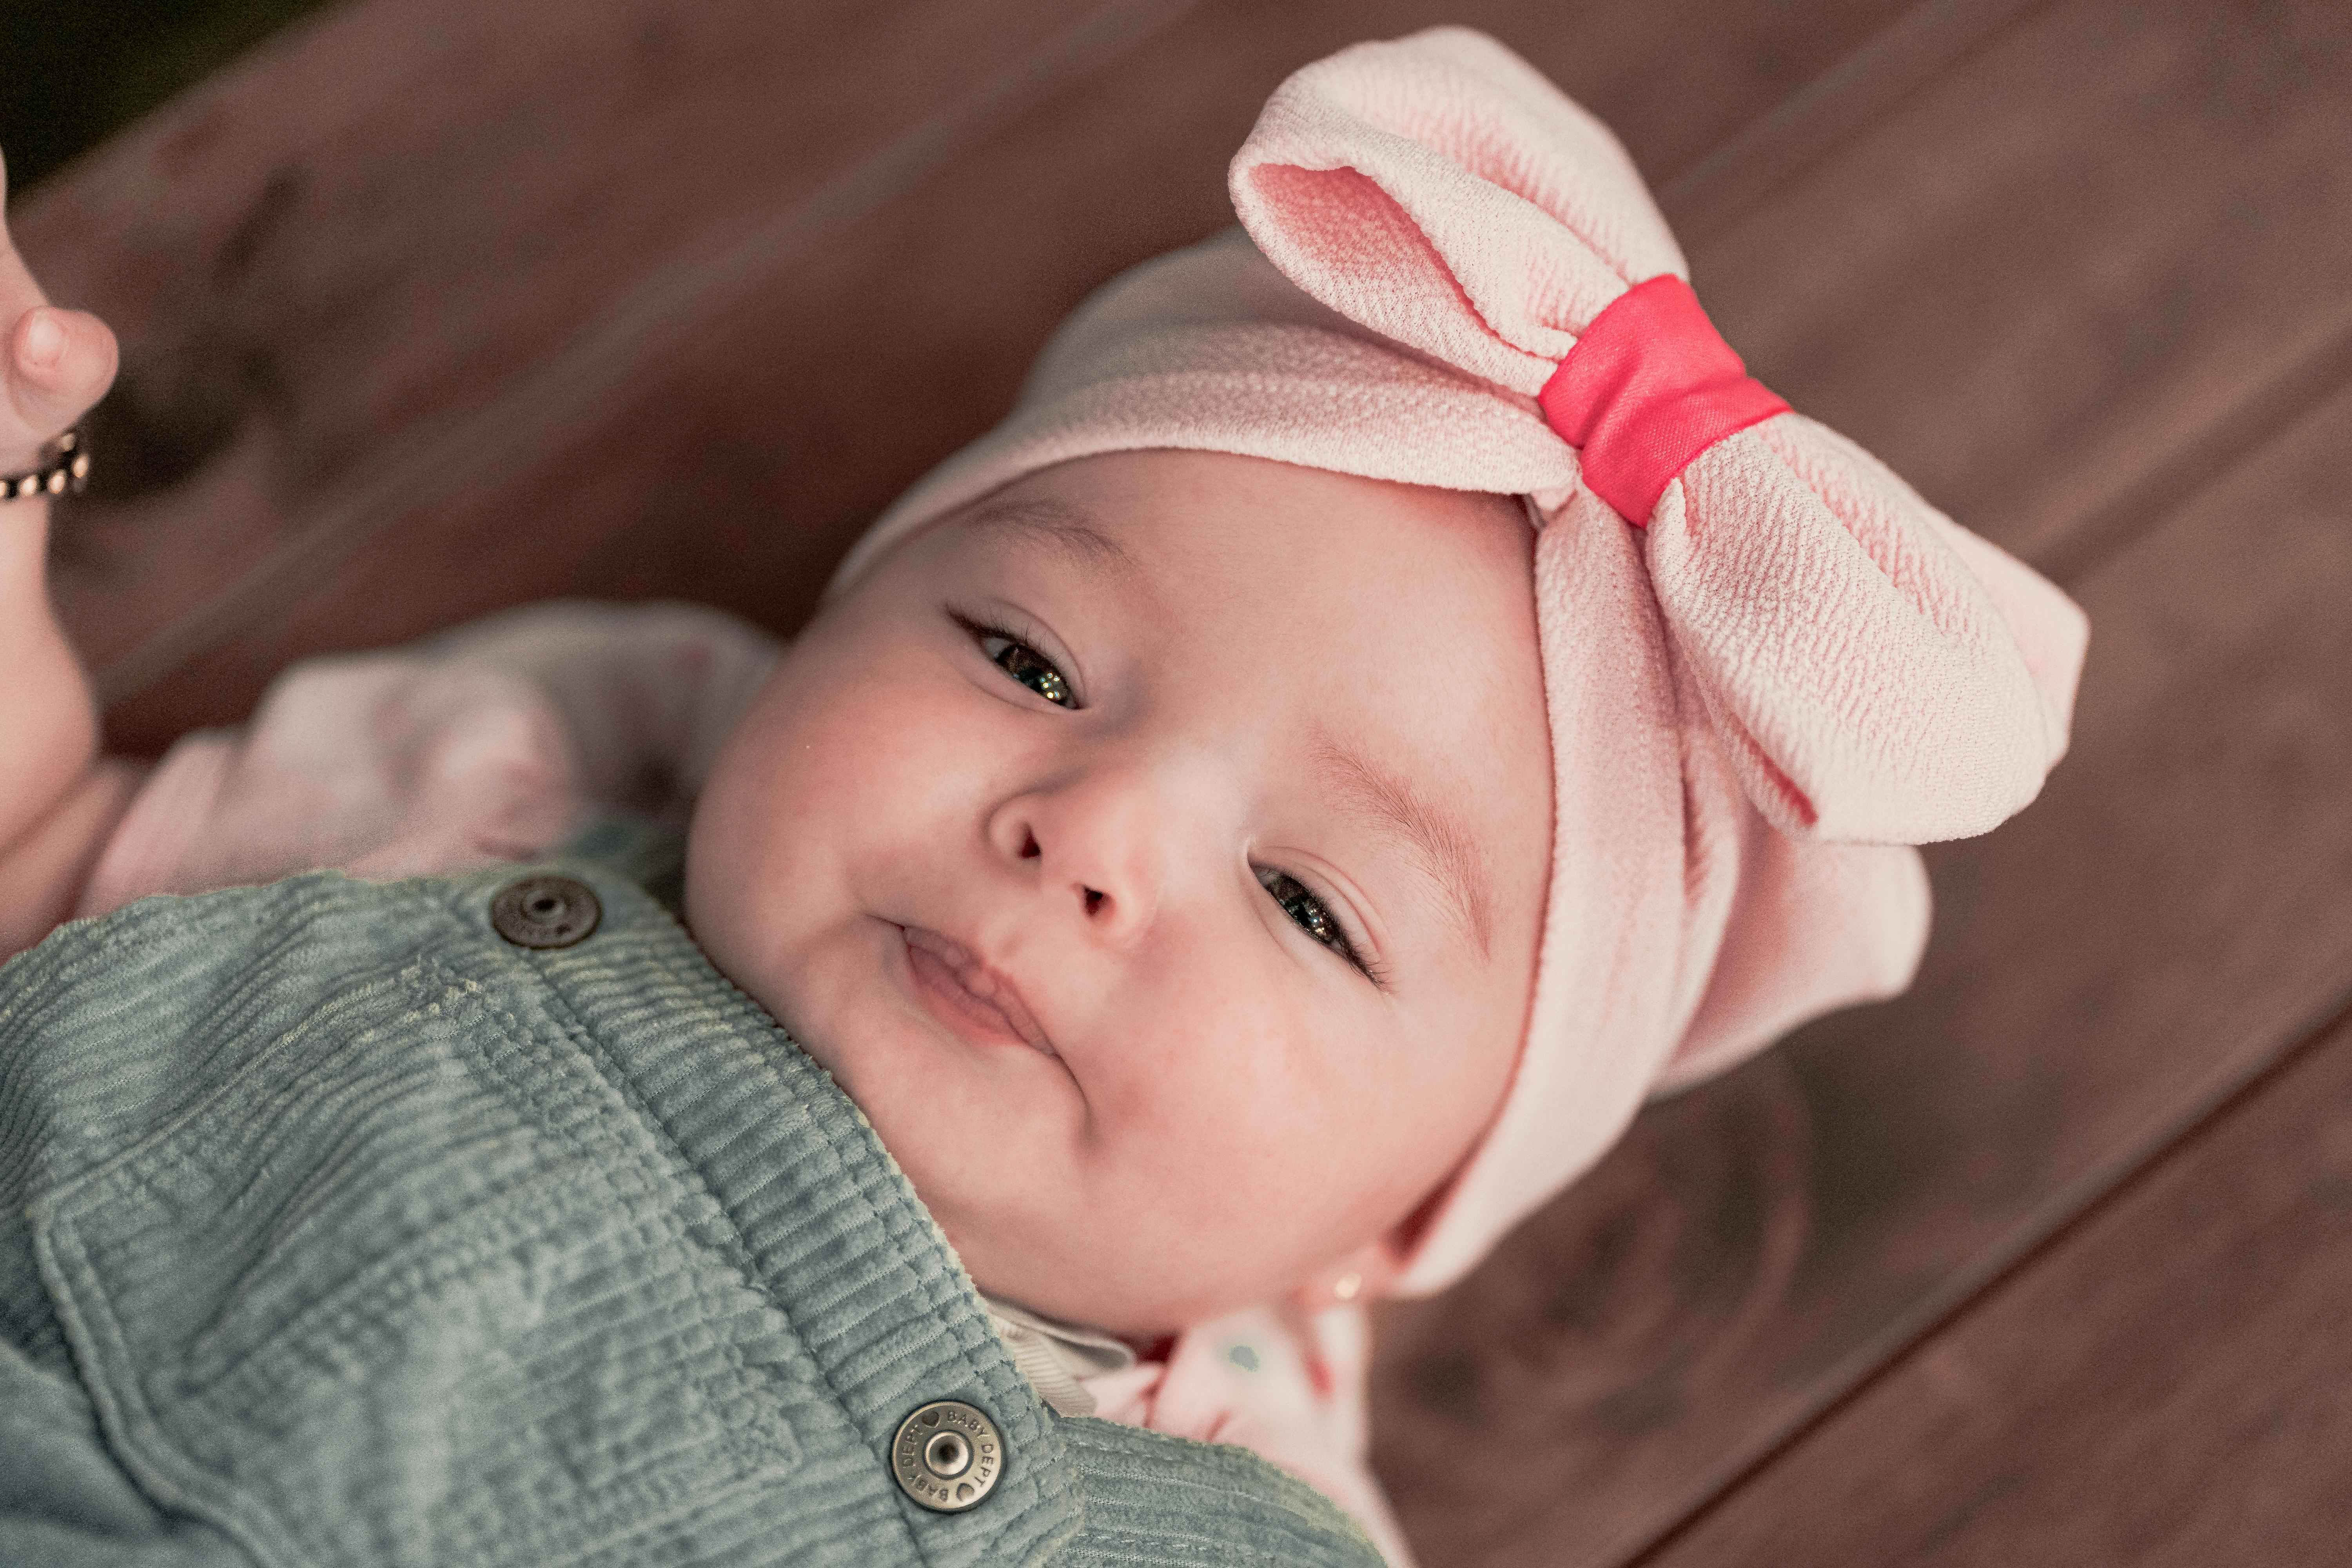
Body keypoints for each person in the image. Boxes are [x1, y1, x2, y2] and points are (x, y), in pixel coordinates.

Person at [0, 27, 2086, 1567]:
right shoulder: (474, 811)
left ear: (1396, 1226)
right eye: (1022, 661)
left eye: (1312, 905)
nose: (1096, 835)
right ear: (817, 643)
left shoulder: (1241, 1531)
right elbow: (40, 860)